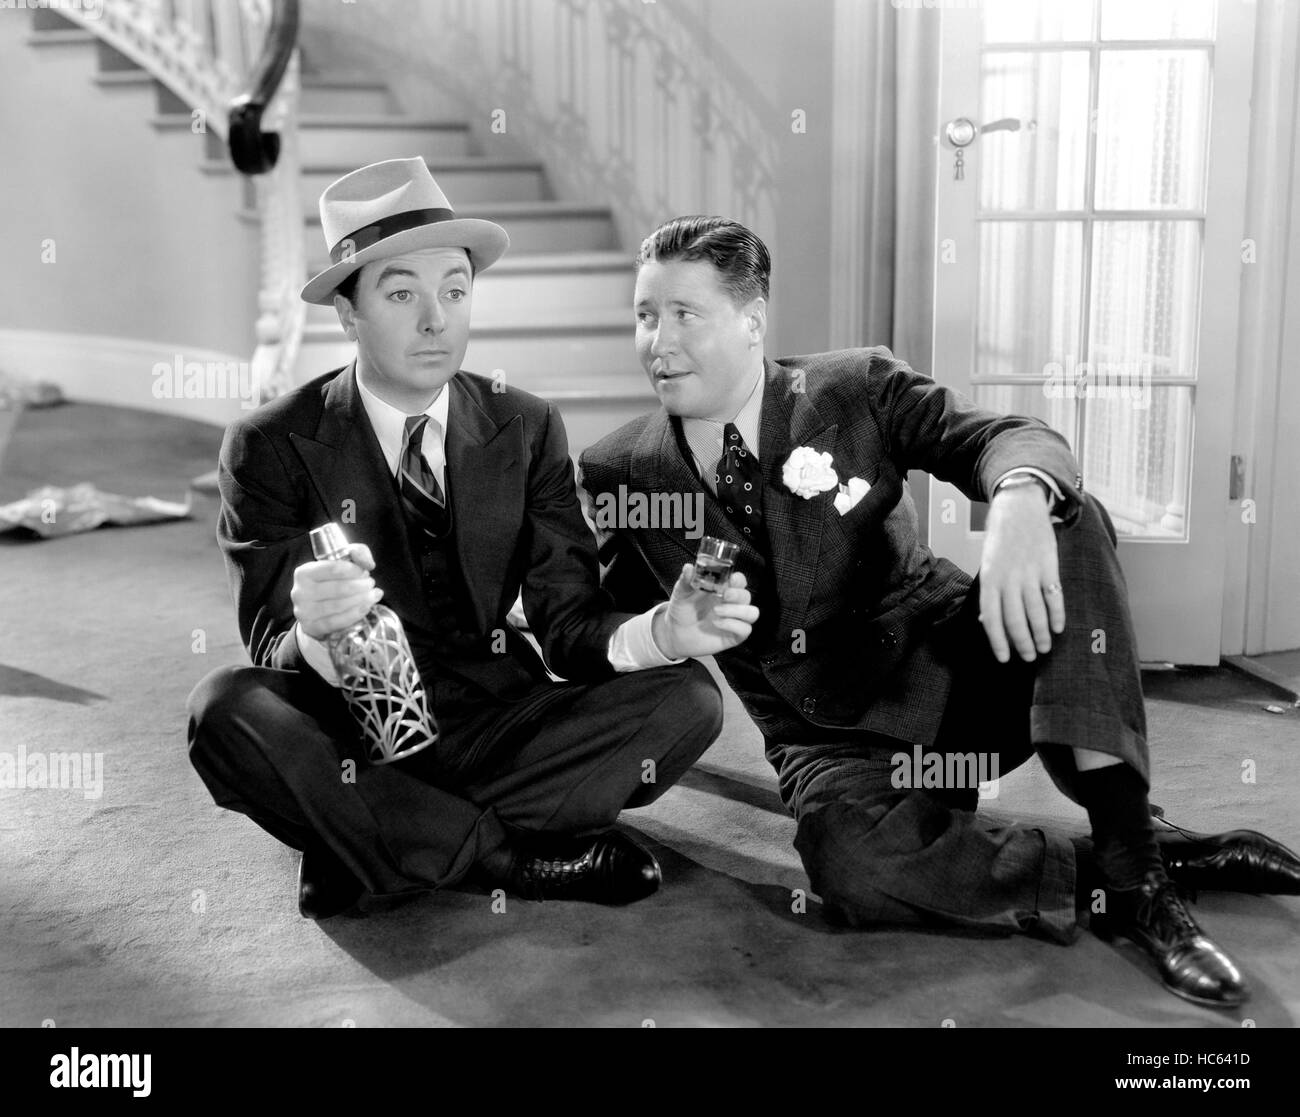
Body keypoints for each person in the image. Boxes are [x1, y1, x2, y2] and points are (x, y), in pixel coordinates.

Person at [579, 214, 1300, 1008]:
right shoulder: (620, 469)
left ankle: (1138, 873)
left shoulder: (853, 387)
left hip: (966, 673)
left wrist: (1020, 494)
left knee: (1070, 515)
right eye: (645, 315)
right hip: (831, 741)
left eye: (684, 314)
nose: (658, 341)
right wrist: (662, 630)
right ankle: (1134, 870)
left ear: (752, 321)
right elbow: (598, 622)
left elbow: (1005, 437)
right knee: (851, 865)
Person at [186, 163, 758, 920]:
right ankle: (509, 859)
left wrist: (665, 632)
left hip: (496, 715)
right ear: (348, 314)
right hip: (350, 725)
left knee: (686, 699)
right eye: (401, 295)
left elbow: (567, 624)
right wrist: (316, 633)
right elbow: (270, 647)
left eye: (455, 292)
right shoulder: (269, 442)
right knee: (224, 709)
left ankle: (363, 837)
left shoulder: (525, 424)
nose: (437, 320)